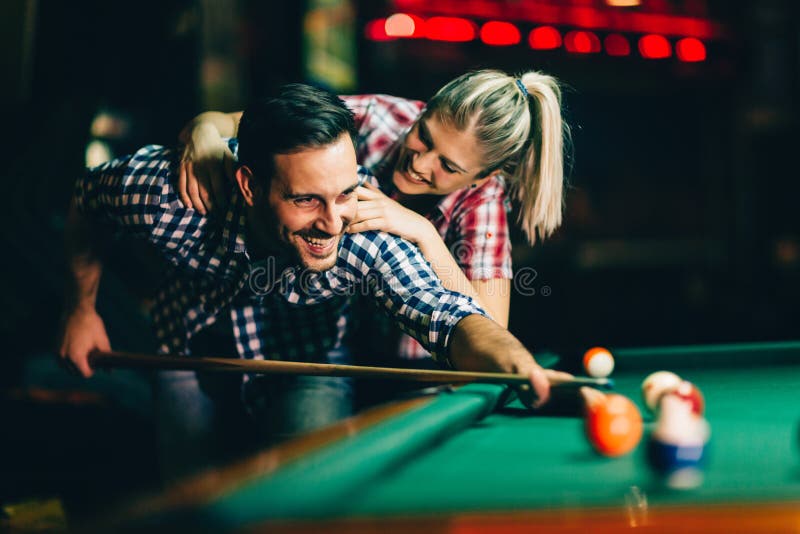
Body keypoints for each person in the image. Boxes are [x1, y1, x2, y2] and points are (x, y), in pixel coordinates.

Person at [59, 83, 565, 480]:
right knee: (191, 506)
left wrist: (521, 366)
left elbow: (458, 318)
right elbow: (87, 199)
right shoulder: (168, 194)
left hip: (311, 359)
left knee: (307, 503)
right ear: (249, 184)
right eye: (306, 199)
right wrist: (80, 310)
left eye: (345, 193)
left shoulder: (362, 227)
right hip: (185, 346)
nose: (331, 222)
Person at [177, 69, 568, 363]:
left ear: (482, 178)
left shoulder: (485, 199)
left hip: (410, 365)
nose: (420, 162)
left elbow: (490, 328)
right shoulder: (379, 116)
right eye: (425, 136)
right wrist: (203, 135)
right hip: (314, 340)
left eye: (447, 166)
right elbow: (225, 122)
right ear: (424, 108)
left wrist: (424, 233)